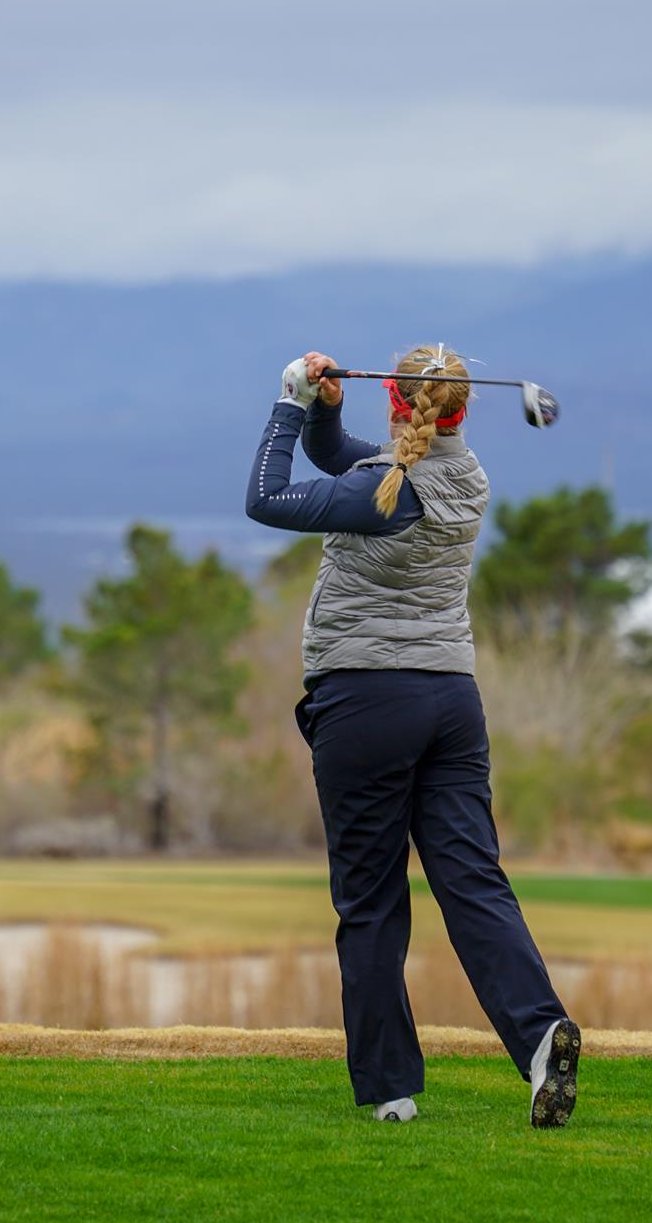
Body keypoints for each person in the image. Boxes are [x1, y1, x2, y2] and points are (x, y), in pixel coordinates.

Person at [243, 345, 580, 1129]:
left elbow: (266, 497)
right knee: (472, 879)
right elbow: (342, 456)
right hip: (452, 702)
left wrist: (289, 402)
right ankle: (539, 1038)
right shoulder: (466, 477)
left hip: (366, 699)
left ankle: (392, 1089)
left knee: (370, 897)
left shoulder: (383, 492)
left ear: (396, 400)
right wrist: (327, 413)